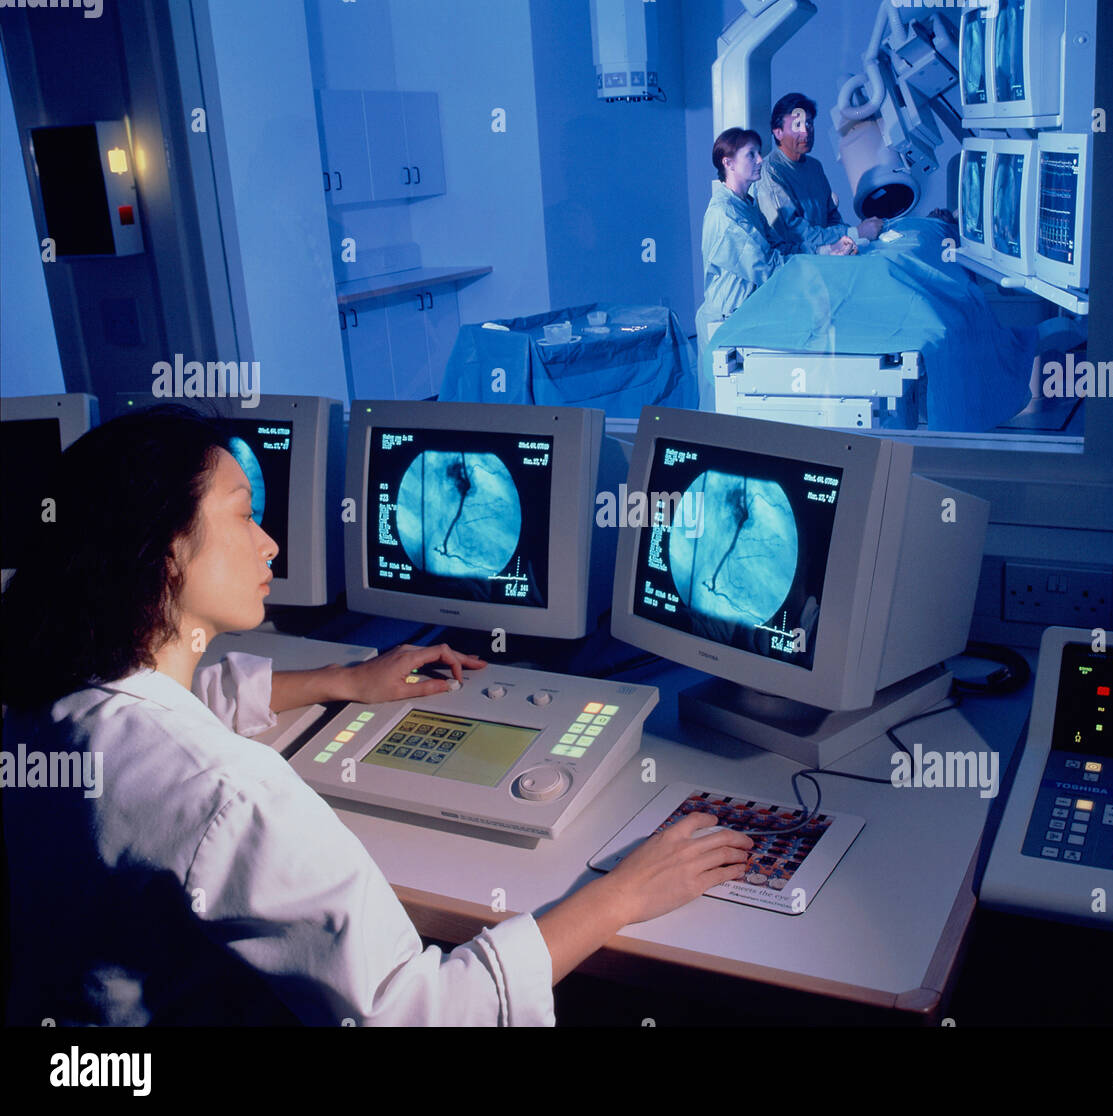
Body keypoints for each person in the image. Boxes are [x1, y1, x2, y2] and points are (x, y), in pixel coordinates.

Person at [0, 404, 753, 1026]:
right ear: (168, 556)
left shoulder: (51, 700)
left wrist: (344, 679)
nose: (269, 542)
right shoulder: (231, 793)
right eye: (242, 517)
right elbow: (415, 1013)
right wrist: (623, 893)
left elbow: (179, 721)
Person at [696, 128, 853, 410]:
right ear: (727, 163)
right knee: (720, 417)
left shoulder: (747, 205)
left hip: (746, 316)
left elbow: (778, 249)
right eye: (751, 155)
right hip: (725, 322)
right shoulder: (724, 215)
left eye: (759, 153)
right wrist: (821, 261)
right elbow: (768, 268)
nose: (760, 160)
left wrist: (827, 251)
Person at [756, 92, 883, 256]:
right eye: (797, 126)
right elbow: (794, 233)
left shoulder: (814, 167)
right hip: (796, 263)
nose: (806, 132)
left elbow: (832, 218)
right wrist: (855, 233)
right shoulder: (771, 171)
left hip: (825, 257)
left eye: (809, 123)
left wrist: (846, 242)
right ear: (778, 132)